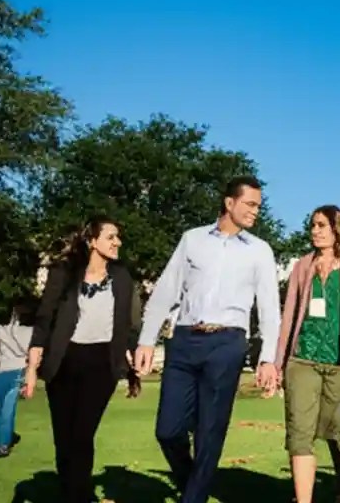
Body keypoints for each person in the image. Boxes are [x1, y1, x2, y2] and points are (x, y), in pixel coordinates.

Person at [133, 175, 283, 503]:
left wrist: (268, 357)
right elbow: (165, 292)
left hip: (228, 343)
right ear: (229, 203)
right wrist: (146, 340)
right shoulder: (192, 240)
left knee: (209, 432)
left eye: (258, 205)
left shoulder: (260, 251)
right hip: (185, 339)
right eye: (250, 204)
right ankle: (193, 482)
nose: (255, 211)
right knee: (168, 430)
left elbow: (270, 309)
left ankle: (194, 497)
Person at [22, 215, 143, 503]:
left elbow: (129, 324)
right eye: (111, 237)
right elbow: (44, 321)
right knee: (64, 439)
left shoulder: (122, 277)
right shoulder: (63, 273)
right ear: (92, 241)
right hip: (64, 360)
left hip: (101, 363)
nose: (118, 242)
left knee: (82, 435)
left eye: (118, 237)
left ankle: (80, 496)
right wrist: (31, 368)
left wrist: (132, 364)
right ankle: (72, 493)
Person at [275, 205, 340, 503]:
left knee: (339, 434)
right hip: (302, 359)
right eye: (312, 226)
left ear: (336, 229)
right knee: (300, 434)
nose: (315, 231)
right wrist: (278, 362)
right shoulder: (302, 266)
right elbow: (289, 315)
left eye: (321, 225)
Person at [0, 301, 33, 457]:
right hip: (19, 369)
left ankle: (2, 439)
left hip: (1, 369)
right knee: (9, 407)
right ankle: (3, 441)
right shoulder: (31, 331)